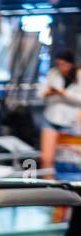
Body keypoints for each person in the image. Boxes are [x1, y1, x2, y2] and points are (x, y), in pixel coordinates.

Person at [41, 51, 81, 179]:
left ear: (70, 64)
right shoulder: (53, 73)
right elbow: (41, 94)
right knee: (46, 159)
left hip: (72, 121)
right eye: (58, 64)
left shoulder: (79, 75)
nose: (61, 67)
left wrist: (64, 94)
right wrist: (48, 93)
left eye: (63, 64)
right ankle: (49, 190)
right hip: (52, 118)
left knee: (73, 159)